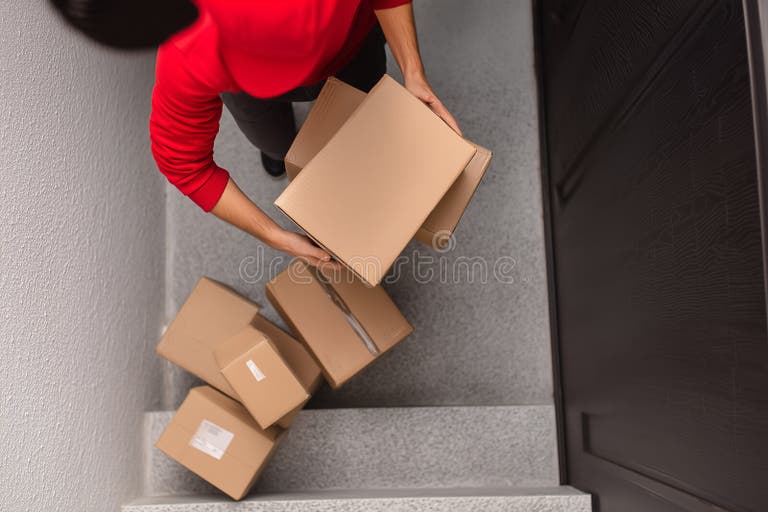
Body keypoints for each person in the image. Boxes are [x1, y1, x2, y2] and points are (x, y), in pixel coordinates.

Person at [150, 0, 461, 267]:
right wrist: (273, 235)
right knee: (273, 141)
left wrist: (413, 72)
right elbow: (184, 164)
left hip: (354, 42)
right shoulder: (186, 49)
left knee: (366, 113)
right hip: (247, 90)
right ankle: (278, 152)